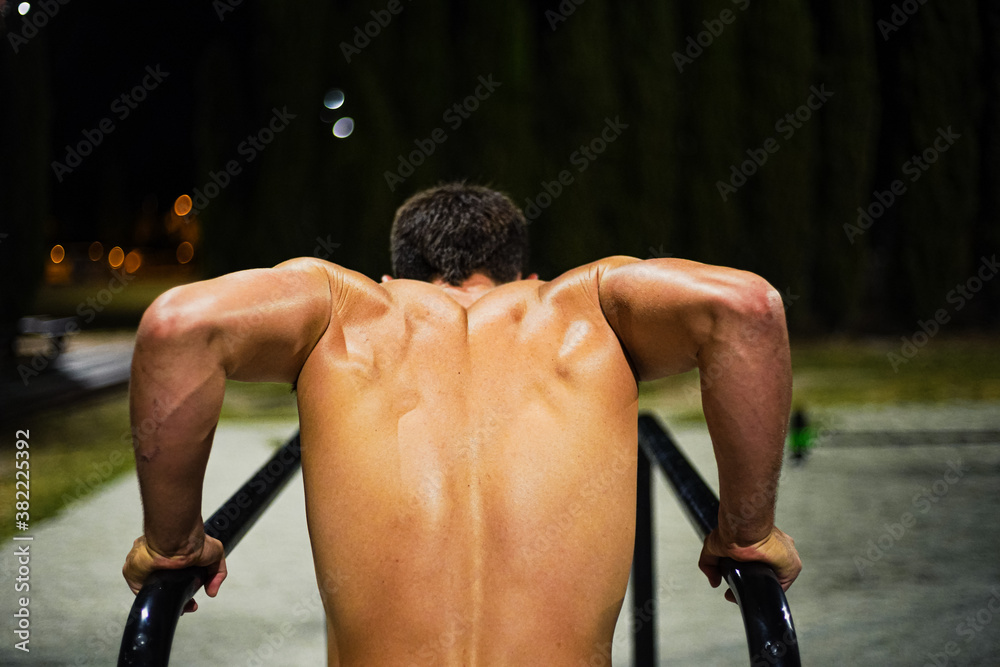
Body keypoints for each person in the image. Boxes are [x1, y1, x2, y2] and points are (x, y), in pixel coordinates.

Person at [123, 182, 801, 665]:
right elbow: (748, 308)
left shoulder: (344, 309)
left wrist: (175, 545)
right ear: (524, 273)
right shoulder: (584, 309)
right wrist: (747, 533)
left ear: (396, 274)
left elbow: (178, 326)